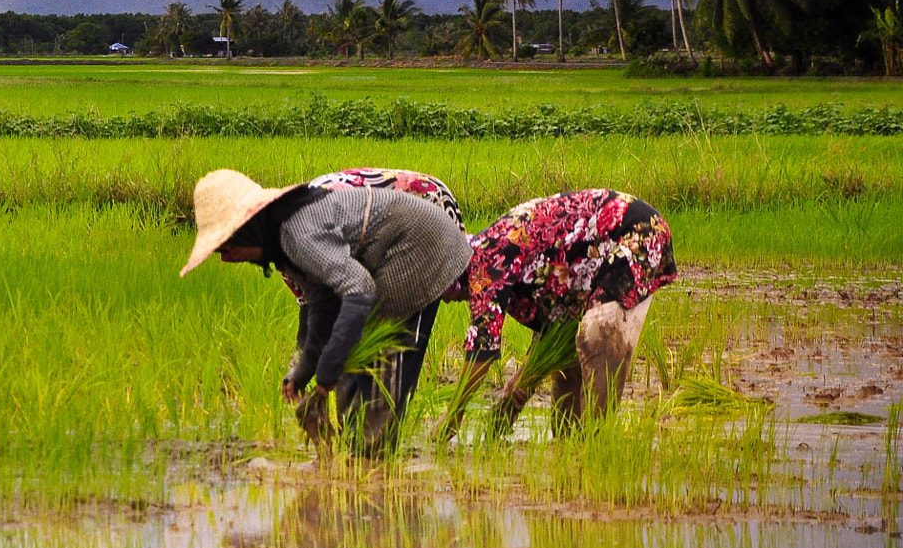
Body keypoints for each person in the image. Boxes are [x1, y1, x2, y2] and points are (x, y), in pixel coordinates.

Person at [181, 168, 471, 455]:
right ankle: (357, 453)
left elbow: (359, 289)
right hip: (391, 247)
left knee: (383, 351)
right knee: (349, 347)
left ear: (246, 233)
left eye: (227, 250)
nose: (228, 260)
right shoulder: (284, 244)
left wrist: (325, 377)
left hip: (421, 244)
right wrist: (304, 372)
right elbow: (320, 308)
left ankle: (374, 461)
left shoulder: (300, 235)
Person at [438, 189, 677, 439]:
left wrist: (454, 412)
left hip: (634, 231)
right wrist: (517, 392)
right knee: (565, 360)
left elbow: (481, 347)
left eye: (439, 291)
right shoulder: (489, 256)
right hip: (599, 252)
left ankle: (595, 444)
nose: (444, 301)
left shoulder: (487, 262)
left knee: (598, 337)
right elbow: (553, 332)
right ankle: (568, 446)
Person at [287, 168, 465, 431]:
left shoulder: (304, 234)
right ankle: (354, 436)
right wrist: (300, 374)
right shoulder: (289, 250)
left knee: (390, 342)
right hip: (372, 237)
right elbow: (314, 315)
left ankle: (373, 444)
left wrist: (317, 381)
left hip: (426, 211)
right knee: (353, 337)